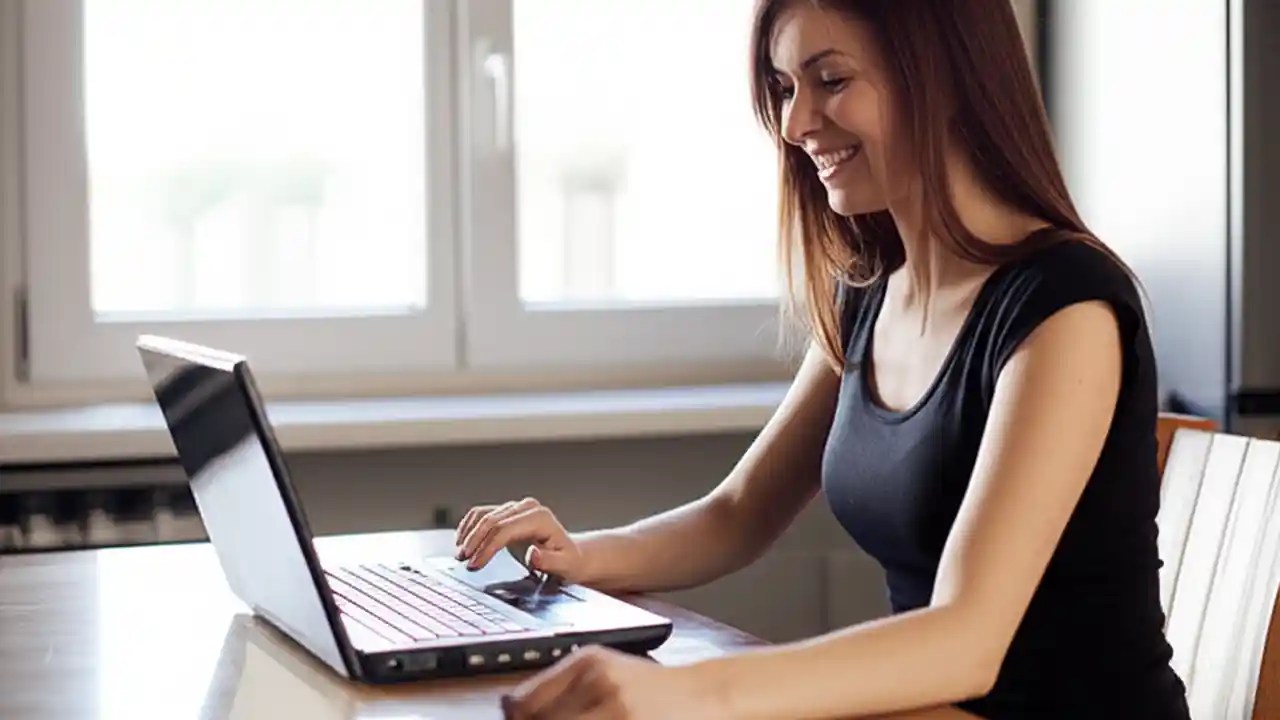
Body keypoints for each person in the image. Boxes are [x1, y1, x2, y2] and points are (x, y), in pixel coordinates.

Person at [456, 1, 1191, 717]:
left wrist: (692, 694)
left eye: (831, 80)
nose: (796, 122)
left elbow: (967, 641)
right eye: (784, 88)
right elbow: (738, 515)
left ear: (945, 77)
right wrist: (581, 555)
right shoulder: (870, 292)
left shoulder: (1066, 307)